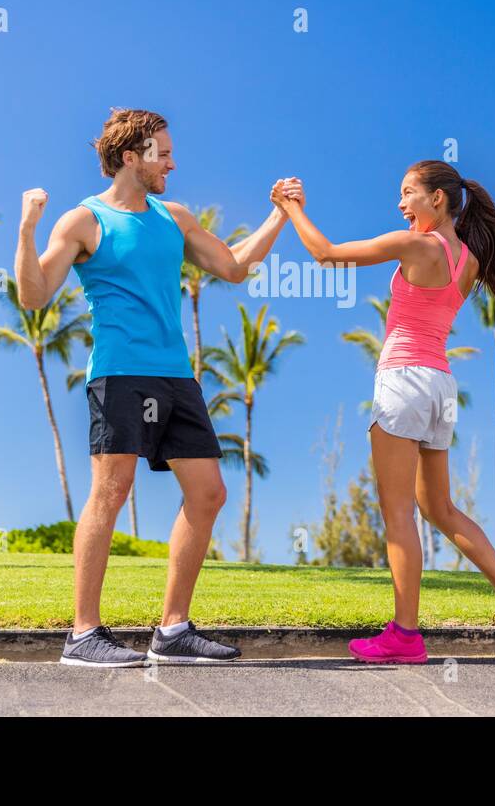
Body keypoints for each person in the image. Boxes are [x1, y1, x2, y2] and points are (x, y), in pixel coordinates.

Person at [16, 107, 291, 666]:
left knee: (208, 493)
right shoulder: (84, 221)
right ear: (130, 158)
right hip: (120, 372)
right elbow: (34, 295)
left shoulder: (175, 217)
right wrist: (26, 229)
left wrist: (278, 215)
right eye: (162, 154)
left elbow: (233, 267)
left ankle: (173, 630)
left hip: (176, 376)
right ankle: (83, 635)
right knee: (112, 491)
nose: (172, 163)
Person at [271, 162, 495, 663]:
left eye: (407, 193)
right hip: (440, 386)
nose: (400, 204)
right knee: (439, 508)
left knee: (398, 511)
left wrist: (290, 208)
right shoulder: (469, 258)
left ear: (437, 199)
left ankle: (404, 634)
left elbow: (326, 253)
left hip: (403, 381)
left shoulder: (416, 245)